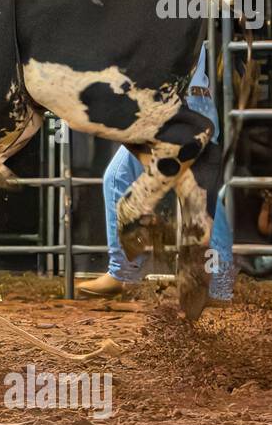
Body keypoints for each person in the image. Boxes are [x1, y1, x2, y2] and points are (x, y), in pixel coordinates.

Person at [79, 44, 235, 302]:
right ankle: (219, 287)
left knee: (121, 177)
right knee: (202, 194)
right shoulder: (182, 12)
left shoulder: (162, 14)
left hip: (175, 107)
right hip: (190, 102)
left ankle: (124, 273)